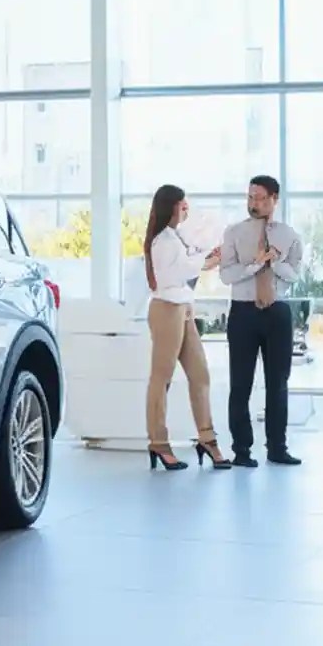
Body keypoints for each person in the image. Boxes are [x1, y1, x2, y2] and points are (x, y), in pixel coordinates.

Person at [219, 175, 304, 467]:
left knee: (278, 383)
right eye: (250, 197)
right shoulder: (233, 233)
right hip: (243, 312)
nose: (253, 203)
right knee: (240, 384)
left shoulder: (289, 235)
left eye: (260, 198)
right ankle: (241, 451)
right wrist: (255, 263)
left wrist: (275, 261)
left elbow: (294, 276)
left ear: (274, 199)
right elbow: (226, 275)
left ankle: (277, 448)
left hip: (278, 312)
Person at [142, 184, 228, 471]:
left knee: (200, 373)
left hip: (183, 307)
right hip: (167, 309)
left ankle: (207, 437)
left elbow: (187, 267)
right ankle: (158, 441)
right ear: (171, 207)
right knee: (161, 378)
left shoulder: (174, 238)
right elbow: (178, 272)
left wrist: (207, 260)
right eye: (183, 206)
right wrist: (205, 260)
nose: (187, 210)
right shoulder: (162, 241)